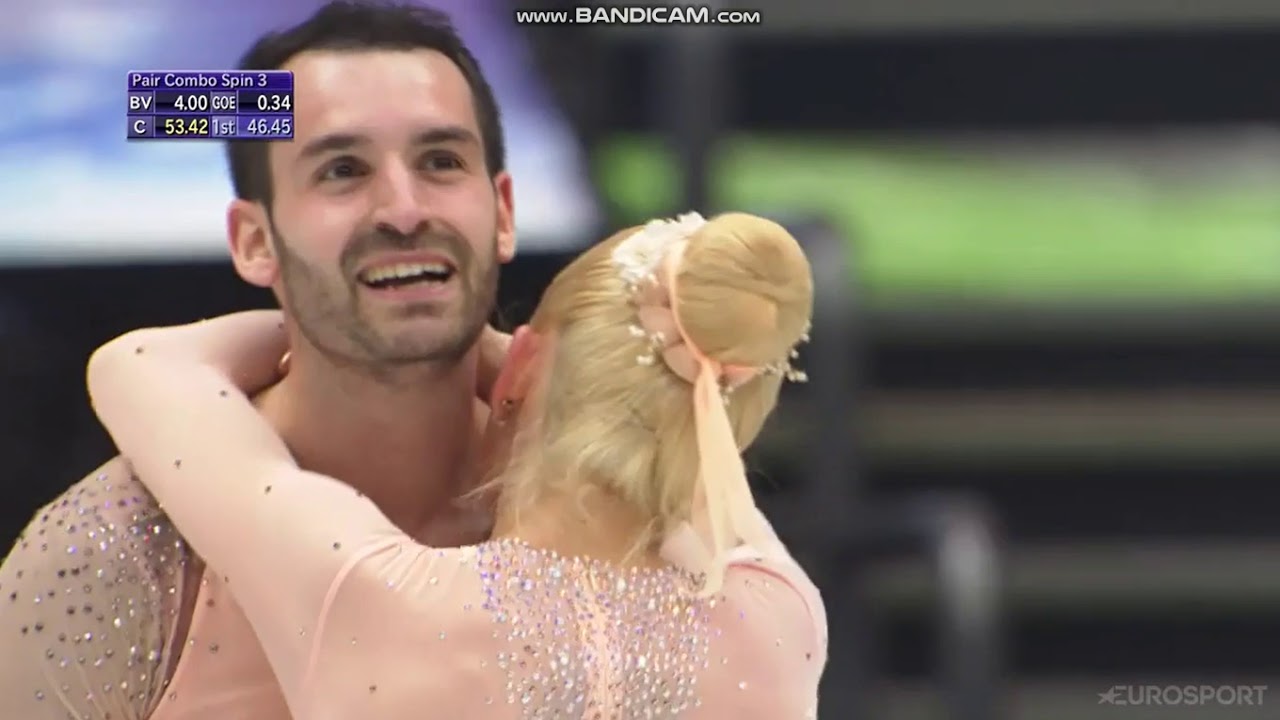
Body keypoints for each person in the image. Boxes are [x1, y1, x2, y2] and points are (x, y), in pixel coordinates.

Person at [81, 210, 827, 719]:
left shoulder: (379, 595)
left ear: (524, 366)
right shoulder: (781, 619)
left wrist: (436, 349)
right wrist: (551, 375)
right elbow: (705, 471)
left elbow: (141, 364)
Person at [0, 3, 518, 718]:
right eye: (342, 169)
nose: (403, 210)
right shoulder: (110, 553)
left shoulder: (636, 522)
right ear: (253, 241)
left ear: (505, 213)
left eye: (440, 161)